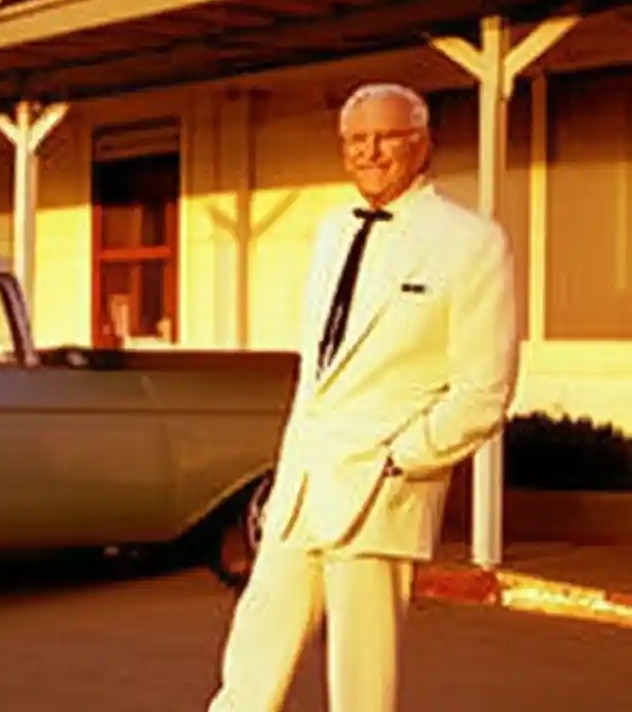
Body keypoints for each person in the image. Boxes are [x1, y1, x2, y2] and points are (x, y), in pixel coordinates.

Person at [205, 83, 519, 712]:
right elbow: (318, 374)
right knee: (252, 661)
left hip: (382, 492)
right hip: (302, 488)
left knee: (360, 686)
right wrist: (285, 470)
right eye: (355, 140)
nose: (369, 152)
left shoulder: (472, 243)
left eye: (386, 137)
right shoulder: (328, 231)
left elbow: (485, 390)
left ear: (422, 142)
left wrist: (397, 460)